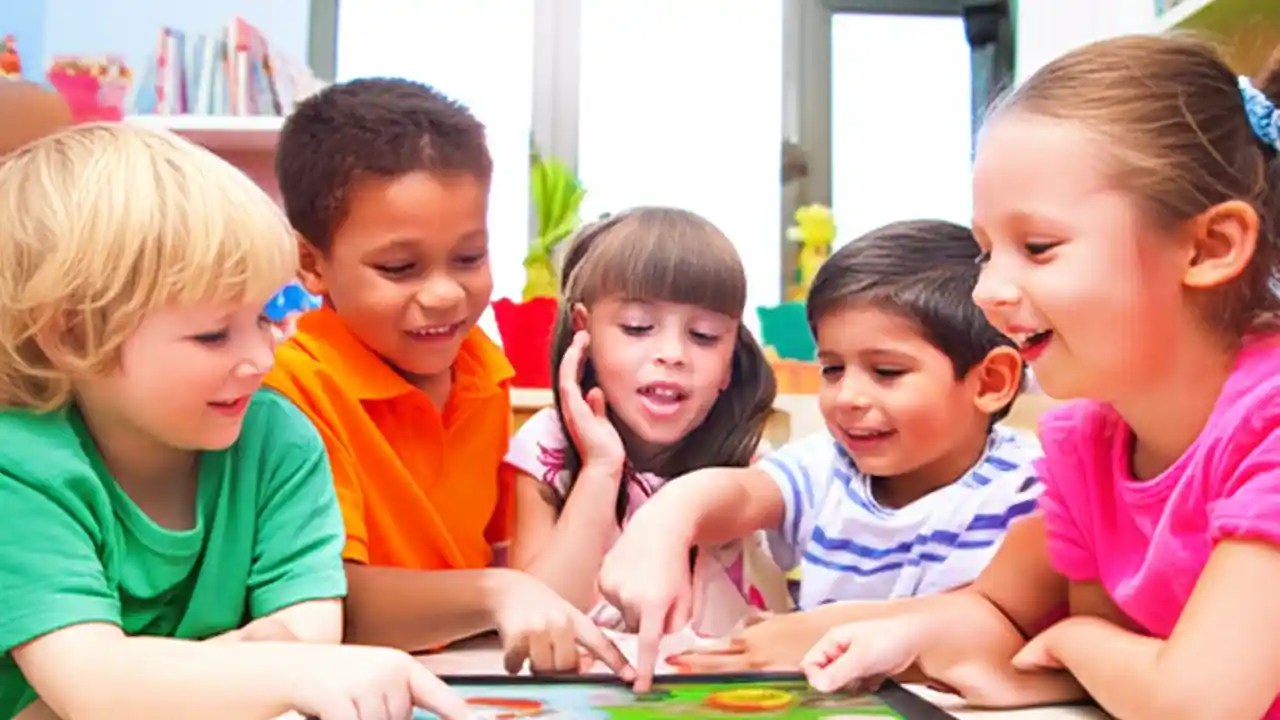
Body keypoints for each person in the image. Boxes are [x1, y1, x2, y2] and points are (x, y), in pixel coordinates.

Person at [800, 35, 1280, 720]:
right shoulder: (1092, 443)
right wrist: (902, 633)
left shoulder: (1270, 427)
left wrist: (1079, 642)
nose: (988, 291)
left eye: (1038, 248)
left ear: (1209, 247)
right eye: (987, 252)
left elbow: (1197, 701)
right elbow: (998, 607)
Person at [0, 123, 470, 720]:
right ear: (73, 333)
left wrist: (153, 684)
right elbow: (95, 688)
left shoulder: (279, 441)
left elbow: (309, 633)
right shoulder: (20, 468)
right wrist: (251, 666)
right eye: (214, 334)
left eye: (269, 318)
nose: (262, 360)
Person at [263, 77, 631, 676]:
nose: (443, 295)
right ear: (312, 264)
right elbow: (328, 603)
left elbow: (492, 554)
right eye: (399, 268)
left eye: (469, 258)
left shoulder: (483, 370)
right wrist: (497, 593)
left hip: (462, 671)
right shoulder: (291, 391)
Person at [597, 219, 1038, 690]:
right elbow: (740, 493)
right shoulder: (828, 466)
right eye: (832, 368)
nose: (846, 396)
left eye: (886, 371)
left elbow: (1009, 633)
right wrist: (665, 521)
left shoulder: (1029, 488)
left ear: (989, 383)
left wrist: (815, 634)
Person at [505, 207, 778, 635]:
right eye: (637, 327)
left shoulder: (752, 466)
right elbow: (538, 618)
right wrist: (600, 468)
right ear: (585, 334)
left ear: (729, 362)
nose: (672, 353)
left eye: (704, 336)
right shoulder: (547, 445)